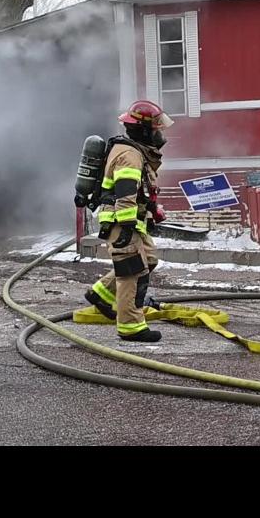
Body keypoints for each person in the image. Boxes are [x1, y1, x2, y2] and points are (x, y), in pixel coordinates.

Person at [84, 101, 173, 342]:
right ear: (144, 130)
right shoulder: (129, 156)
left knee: (148, 259)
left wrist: (151, 210)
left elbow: (139, 190)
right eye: (155, 129)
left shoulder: (134, 151)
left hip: (130, 220)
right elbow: (125, 194)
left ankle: (101, 294)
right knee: (132, 271)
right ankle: (131, 326)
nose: (159, 134)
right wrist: (125, 228)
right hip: (121, 221)